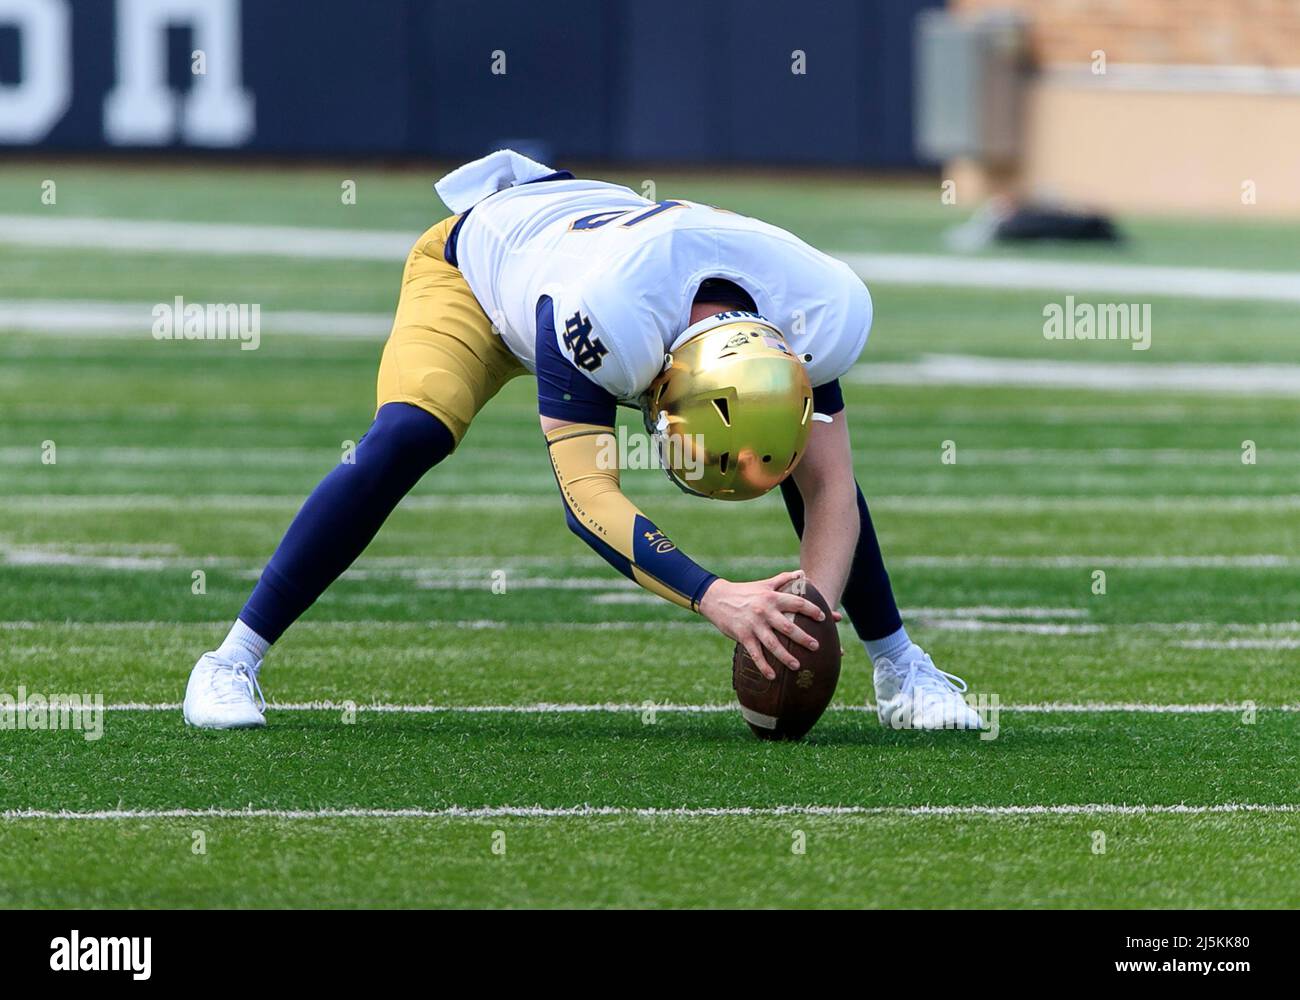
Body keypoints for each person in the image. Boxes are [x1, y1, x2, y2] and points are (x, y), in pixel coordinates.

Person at [183, 150, 982, 732]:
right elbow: (586, 497)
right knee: (407, 435)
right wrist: (719, 597)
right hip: (478, 266)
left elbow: (828, 486)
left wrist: (806, 614)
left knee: (803, 464)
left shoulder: (809, 312)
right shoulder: (608, 314)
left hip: (586, 239)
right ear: (661, 385)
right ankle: (230, 660)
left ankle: (903, 668)